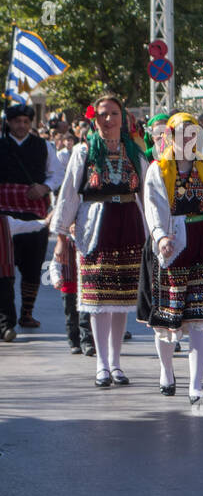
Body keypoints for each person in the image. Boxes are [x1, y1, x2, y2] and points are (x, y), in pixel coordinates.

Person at [141, 114, 203, 404]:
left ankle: (196, 384)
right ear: (170, 136)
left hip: (202, 244)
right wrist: (161, 237)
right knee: (167, 317)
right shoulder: (159, 170)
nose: (188, 140)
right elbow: (154, 208)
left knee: (201, 318)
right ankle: (167, 371)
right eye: (183, 134)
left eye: (193, 134)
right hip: (171, 246)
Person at [51, 93, 148, 387]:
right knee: (98, 299)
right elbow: (69, 193)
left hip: (129, 224)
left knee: (120, 300)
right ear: (95, 119)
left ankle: (116, 363)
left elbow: (147, 195)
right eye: (103, 114)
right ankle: (101, 365)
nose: (108, 119)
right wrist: (60, 236)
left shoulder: (135, 153)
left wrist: (156, 232)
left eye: (114, 113)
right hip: (96, 225)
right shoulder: (85, 152)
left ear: (124, 118)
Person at [0, 102, 58, 332]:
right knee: (3, 268)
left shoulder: (44, 146)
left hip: (35, 213)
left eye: (26, 122)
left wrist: (45, 187)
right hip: (4, 214)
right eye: (17, 121)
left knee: (33, 267)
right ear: (9, 123)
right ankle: (6, 319)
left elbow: (57, 174)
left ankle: (26, 314)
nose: (21, 126)